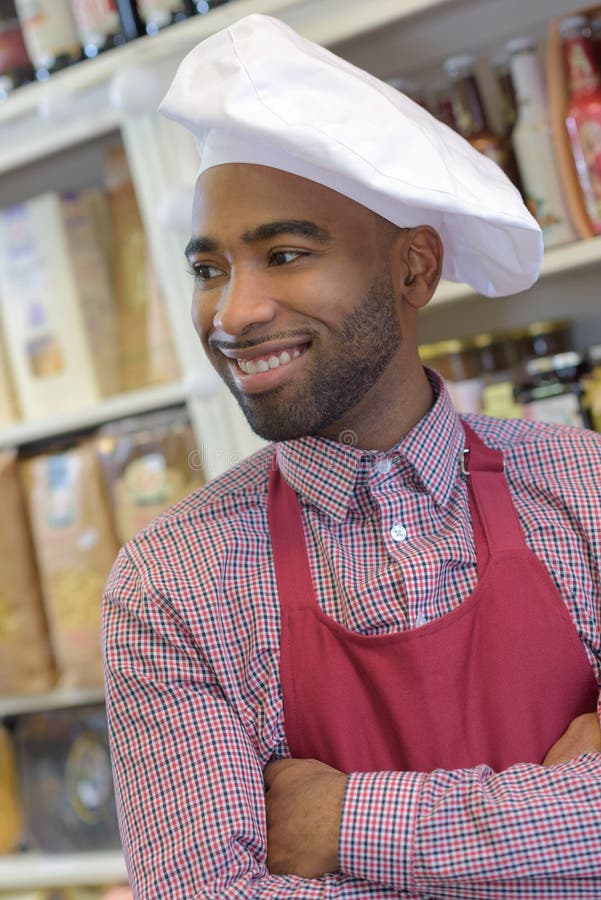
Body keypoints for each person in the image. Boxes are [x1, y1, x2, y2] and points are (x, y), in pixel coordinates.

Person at [102, 14, 601, 899]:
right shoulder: (169, 583)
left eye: (284, 255)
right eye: (208, 268)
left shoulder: (584, 487)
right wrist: (556, 832)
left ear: (413, 271)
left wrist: (340, 823)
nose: (233, 312)